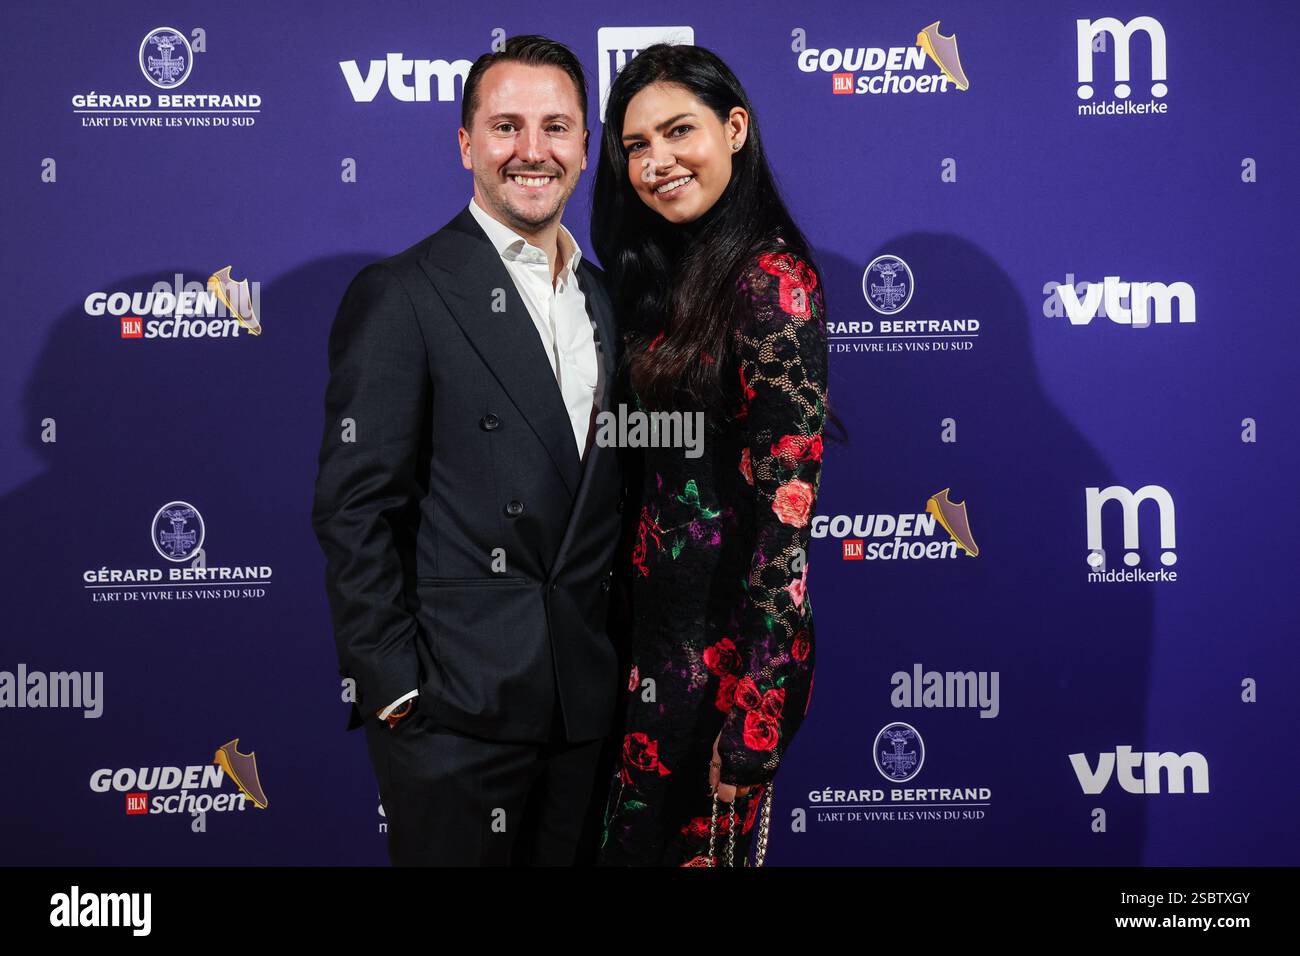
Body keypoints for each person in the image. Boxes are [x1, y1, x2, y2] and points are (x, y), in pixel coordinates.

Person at [311, 35, 624, 866]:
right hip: (453, 715)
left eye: (557, 127)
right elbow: (353, 506)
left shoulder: (605, 298)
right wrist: (395, 689)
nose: (533, 150)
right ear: (465, 144)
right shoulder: (403, 293)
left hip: (584, 706)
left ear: (585, 148)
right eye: (506, 125)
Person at [591, 43, 829, 866]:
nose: (655, 162)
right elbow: (678, 445)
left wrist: (756, 708)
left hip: (718, 667)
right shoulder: (666, 271)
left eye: (677, 131)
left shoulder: (771, 283)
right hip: (642, 641)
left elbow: (787, 517)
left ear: (735, 128)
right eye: (634, 146)